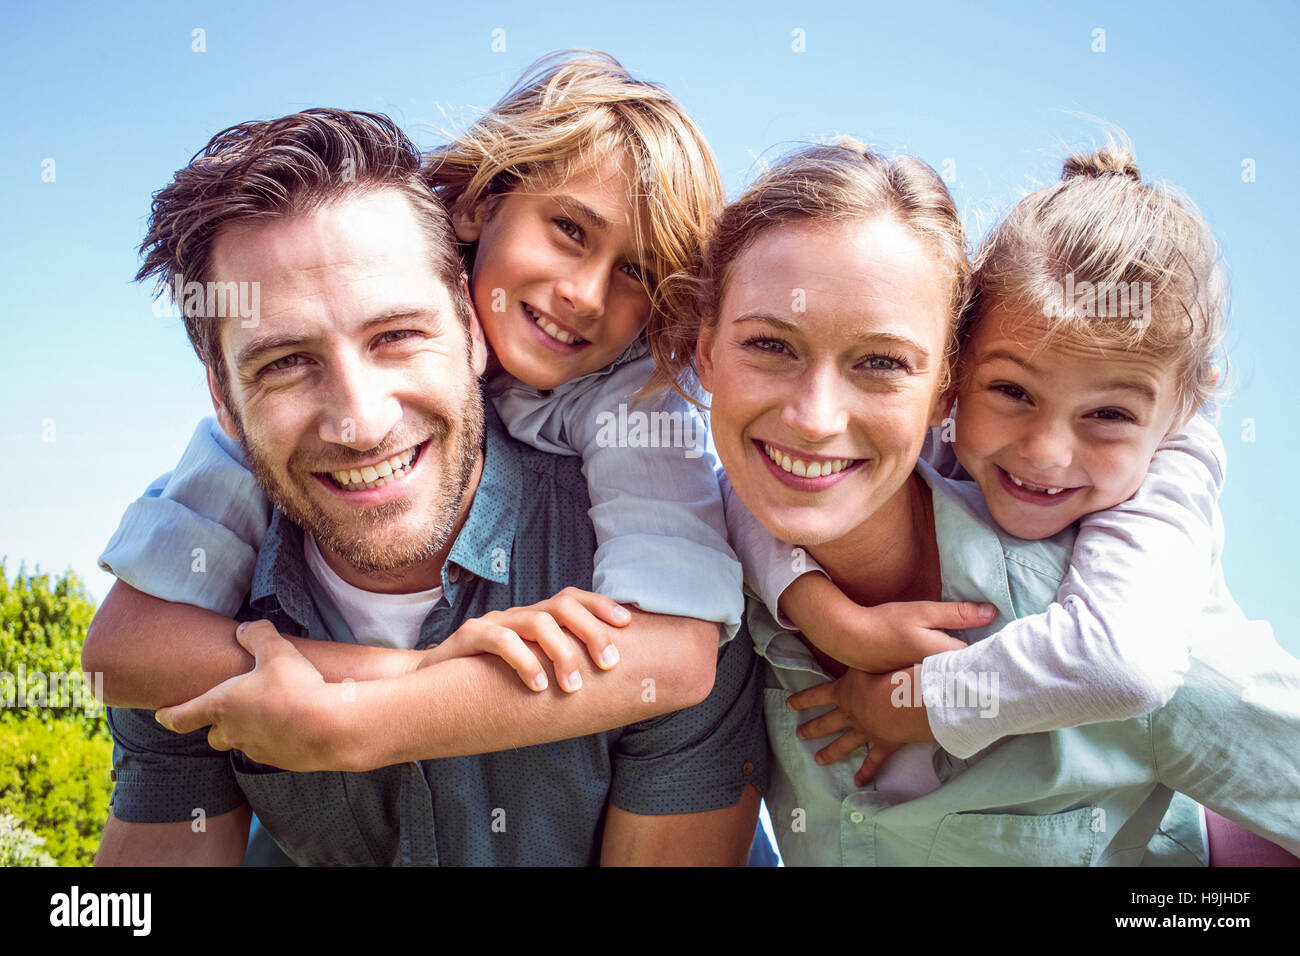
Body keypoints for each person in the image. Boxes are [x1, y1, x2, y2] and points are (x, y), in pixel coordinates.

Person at [92, 108, 767, 866]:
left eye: (397, 336)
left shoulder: (644, 566)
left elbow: (676, 659)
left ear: (469, 330)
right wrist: (406, 676)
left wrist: (353, 722)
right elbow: (119, 656)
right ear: (223, 397)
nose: (358, 422)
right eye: (283, 363)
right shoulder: (200, 594)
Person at [677, 139, 1300, 864]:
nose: (814, 418)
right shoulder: (712, 576)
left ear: (943, 385)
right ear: (704, 350)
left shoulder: (1124, 615)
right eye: (770, 346)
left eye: (880, 362)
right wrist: (819, 608)